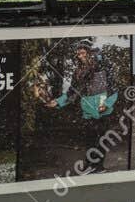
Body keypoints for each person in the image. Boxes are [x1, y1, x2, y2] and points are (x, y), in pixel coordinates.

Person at [43, 43, 118, 173]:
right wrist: (57, 102)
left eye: (83, 53)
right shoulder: (78, 73)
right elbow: (72, 93)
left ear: (89, 53)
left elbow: (114, 90)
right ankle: (90, 166)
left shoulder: (102, 68)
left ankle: (98, 167)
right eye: (78, 54)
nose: (80, 56)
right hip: (88, 111)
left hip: (103, 111)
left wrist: (106, 104)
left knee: (101, 141)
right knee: (89, 141)